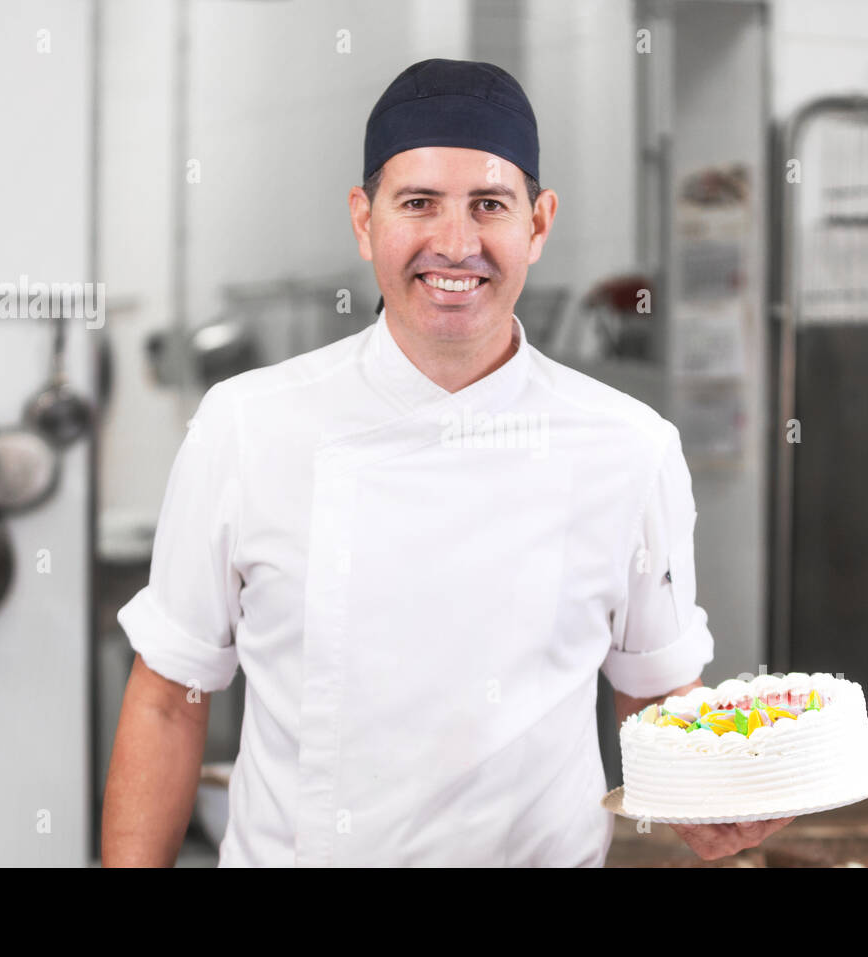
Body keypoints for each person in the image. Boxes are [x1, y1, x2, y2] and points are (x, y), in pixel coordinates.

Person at [102, 57, 792, 867]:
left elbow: (655, 694)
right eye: (419, 203)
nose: (455, 244)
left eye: (490, 205)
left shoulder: (630, 446)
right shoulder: (248, 424)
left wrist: (708, 800)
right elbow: (167, 702)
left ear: (538, 224)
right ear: (364, 221)